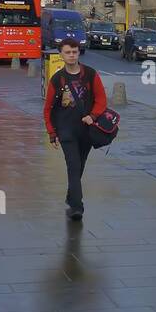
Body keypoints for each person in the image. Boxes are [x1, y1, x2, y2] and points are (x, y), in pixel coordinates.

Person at [43, 40, 107, 221]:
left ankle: (71, 196)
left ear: (79, 53)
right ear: (61, 55)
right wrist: (52, 133)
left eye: (75, 52)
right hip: (66, 131)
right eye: (68, 52)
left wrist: (92, 116)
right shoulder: (57, 79)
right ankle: (77, 207)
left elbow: (101, 99)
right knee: (73, 166)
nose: (72, 55)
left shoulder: (90, 75)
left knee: (80, 165)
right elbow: (47, 108)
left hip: (86, 130)